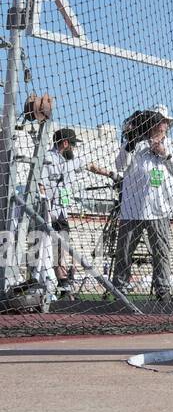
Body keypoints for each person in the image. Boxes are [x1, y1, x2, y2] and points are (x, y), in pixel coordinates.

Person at [113, 105, 173, 299]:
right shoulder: (137, 144)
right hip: (132, 209)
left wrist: (165, 154)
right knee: (124, 252)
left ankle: (163, 291)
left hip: (160, 209)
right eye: (157, 121)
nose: (161, 125)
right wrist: (130, 144)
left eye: (163, 121)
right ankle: (120, 290)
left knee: (161, 252)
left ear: (167, 125)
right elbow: (120, 166)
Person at [36, 126, 116, 295]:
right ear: (65, 143)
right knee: (51, 247)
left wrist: (111, 174)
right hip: (48, 213)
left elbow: (91, 166)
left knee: (60, 246)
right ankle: (58, 281)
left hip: (62, 213)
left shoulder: (72, 160)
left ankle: (63, 281)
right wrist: (45, 209)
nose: (74, 148)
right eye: (72, 144)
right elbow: (41, 185)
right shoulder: (47, 159)